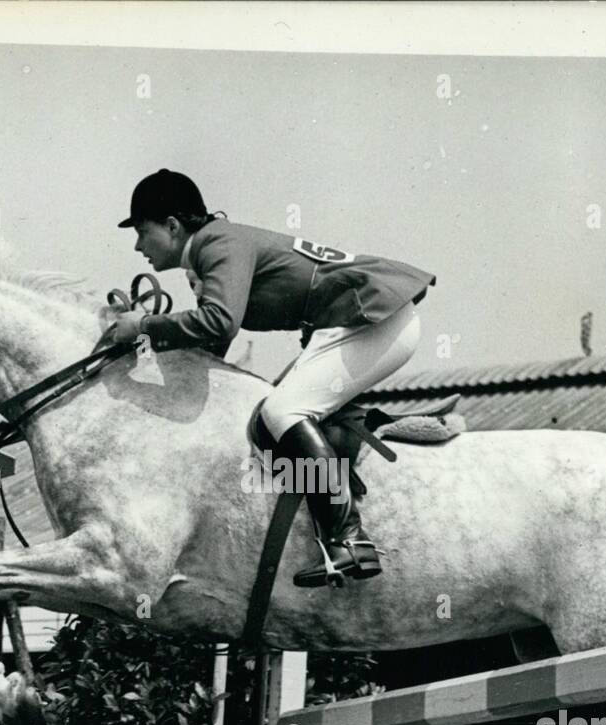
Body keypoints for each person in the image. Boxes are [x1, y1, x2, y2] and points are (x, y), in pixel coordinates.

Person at [109, 169, 436, 588]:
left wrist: (144, 326)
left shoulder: (218, 244)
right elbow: (212, 351)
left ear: (172, 226)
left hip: (373, 317)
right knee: (269, 413)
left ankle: (349, 540)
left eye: (142, 231)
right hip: (358, 320)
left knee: (282, 411)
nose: (138, 246)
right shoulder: (210, 253)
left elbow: (219, 323)